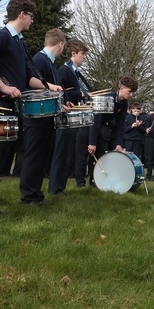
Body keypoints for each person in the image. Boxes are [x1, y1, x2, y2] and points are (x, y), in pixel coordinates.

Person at [0, 0, 51, 216]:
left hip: (10, 107)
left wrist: (49, 86)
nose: (33, 22)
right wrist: (4, 86)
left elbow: (27, 77)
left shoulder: (18, 42)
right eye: (32, 17)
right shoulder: (1, 37)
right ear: (22, 14)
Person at [18, 28, 67, 206]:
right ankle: (29, 195)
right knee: (33, 155)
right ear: (60, 44)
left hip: (44, 116)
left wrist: (62, 103)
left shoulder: (49, 62)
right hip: (35, 116)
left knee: (40, 156)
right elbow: (33, 86)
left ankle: (35, 193)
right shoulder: (40, 59)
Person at [50, 37, 93, 193]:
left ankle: (59, 188)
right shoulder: (64, 70)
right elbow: (59, 92)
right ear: (73, 54)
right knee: (60, 154)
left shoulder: (74, 71)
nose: (85, 57)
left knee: (67, 155)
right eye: (83, 54)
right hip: (63, 117)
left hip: (70, 118)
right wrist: (78, 93)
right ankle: (55, 188)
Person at [88, 76, 139, 184]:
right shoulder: (107, 98)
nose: (131, 95)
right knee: (92, 158)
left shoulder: (124, 103)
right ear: (121, 88)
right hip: (93, 129)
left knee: (107, 157)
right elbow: (96, 121)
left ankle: (104, 183)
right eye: (129, 91)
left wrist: (118, 143)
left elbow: (120, 125)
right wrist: (92, 142)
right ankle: (87, 184)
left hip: (108, 131)